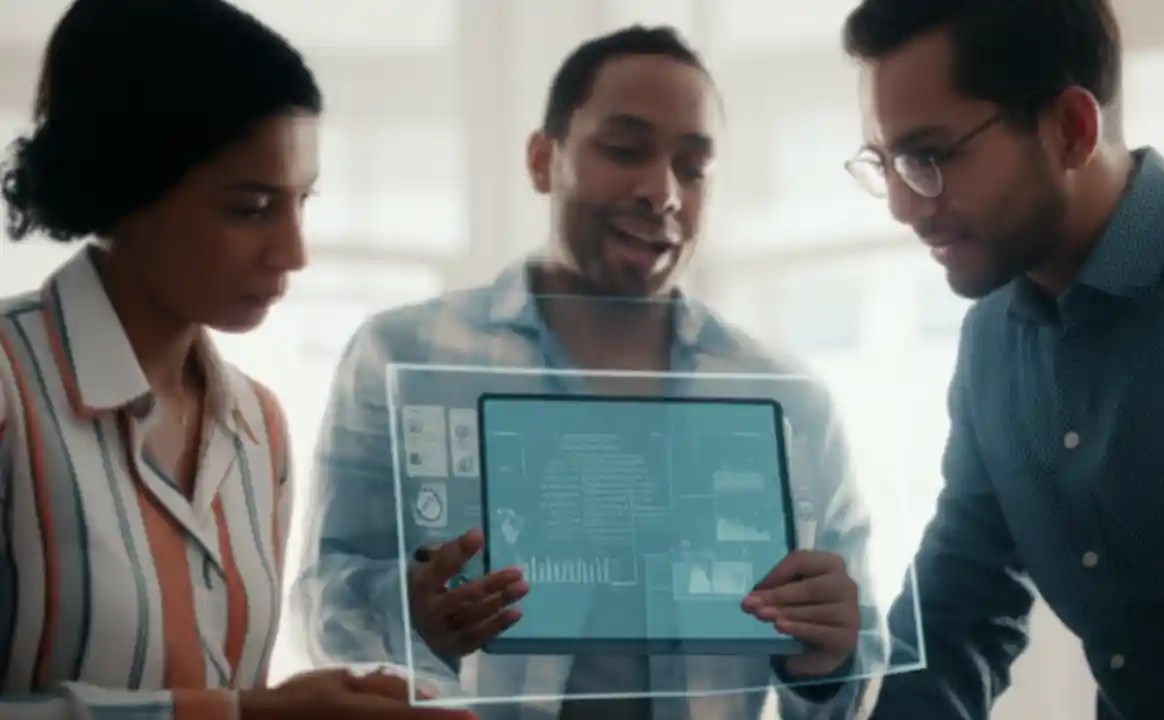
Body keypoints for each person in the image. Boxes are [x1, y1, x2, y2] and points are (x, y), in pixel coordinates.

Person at [294, 25, 883, 720]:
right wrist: (410, 614)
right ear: (544, 159)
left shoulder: (789, 402)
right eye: (626, 150)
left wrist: (828, 659)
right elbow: (323, 603)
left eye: (693, 168)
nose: (663, 191)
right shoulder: (402, 356)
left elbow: (852, 671)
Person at [0, 1, 472, 718]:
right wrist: (255, 714)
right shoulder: (11, 389)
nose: (295, 253)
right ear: (126, 188)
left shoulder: (258, 428)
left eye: (302, 202)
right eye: (250, 208)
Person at [840, 1, 1164, 718]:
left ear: (1071, 130)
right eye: (885, 162)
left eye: (928, 158)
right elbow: (959, 612)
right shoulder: (990, 342)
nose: (901, 204)